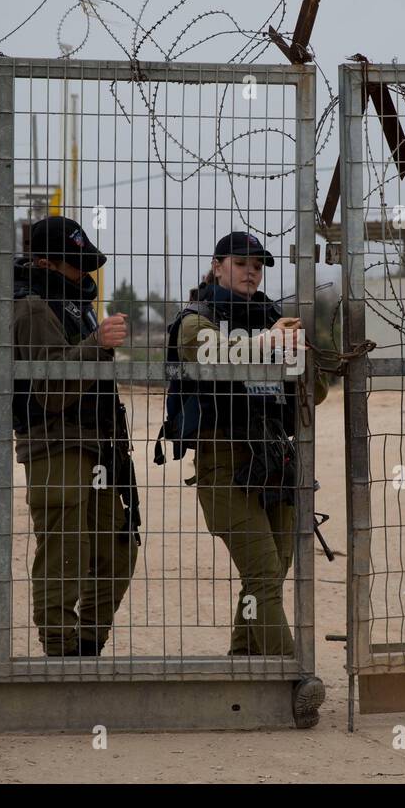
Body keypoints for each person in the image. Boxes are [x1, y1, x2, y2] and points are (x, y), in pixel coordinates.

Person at [153, 230, 328, 724]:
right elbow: (207, 354)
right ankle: (298, 678)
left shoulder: (275, 318)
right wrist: (268, 343)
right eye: (243, 262)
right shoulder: (196, 319)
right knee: (263, 571)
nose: (253, 271)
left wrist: (303, 354)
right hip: (224, 463)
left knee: (272, 571)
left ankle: (243, 665)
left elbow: (314, 395)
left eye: (259, 264)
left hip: (274, 460)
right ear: (217, 265)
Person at [0, 216, 140, 657]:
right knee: (65, 557)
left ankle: (87, 647)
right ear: (45, 262)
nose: (84, 273)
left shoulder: (71, 303)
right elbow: (52, 390)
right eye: (75, 264)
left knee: (117, 550)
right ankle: (61, 654)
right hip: (56, 447)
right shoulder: (33, 307)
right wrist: (98, 343)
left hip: (96, 445)